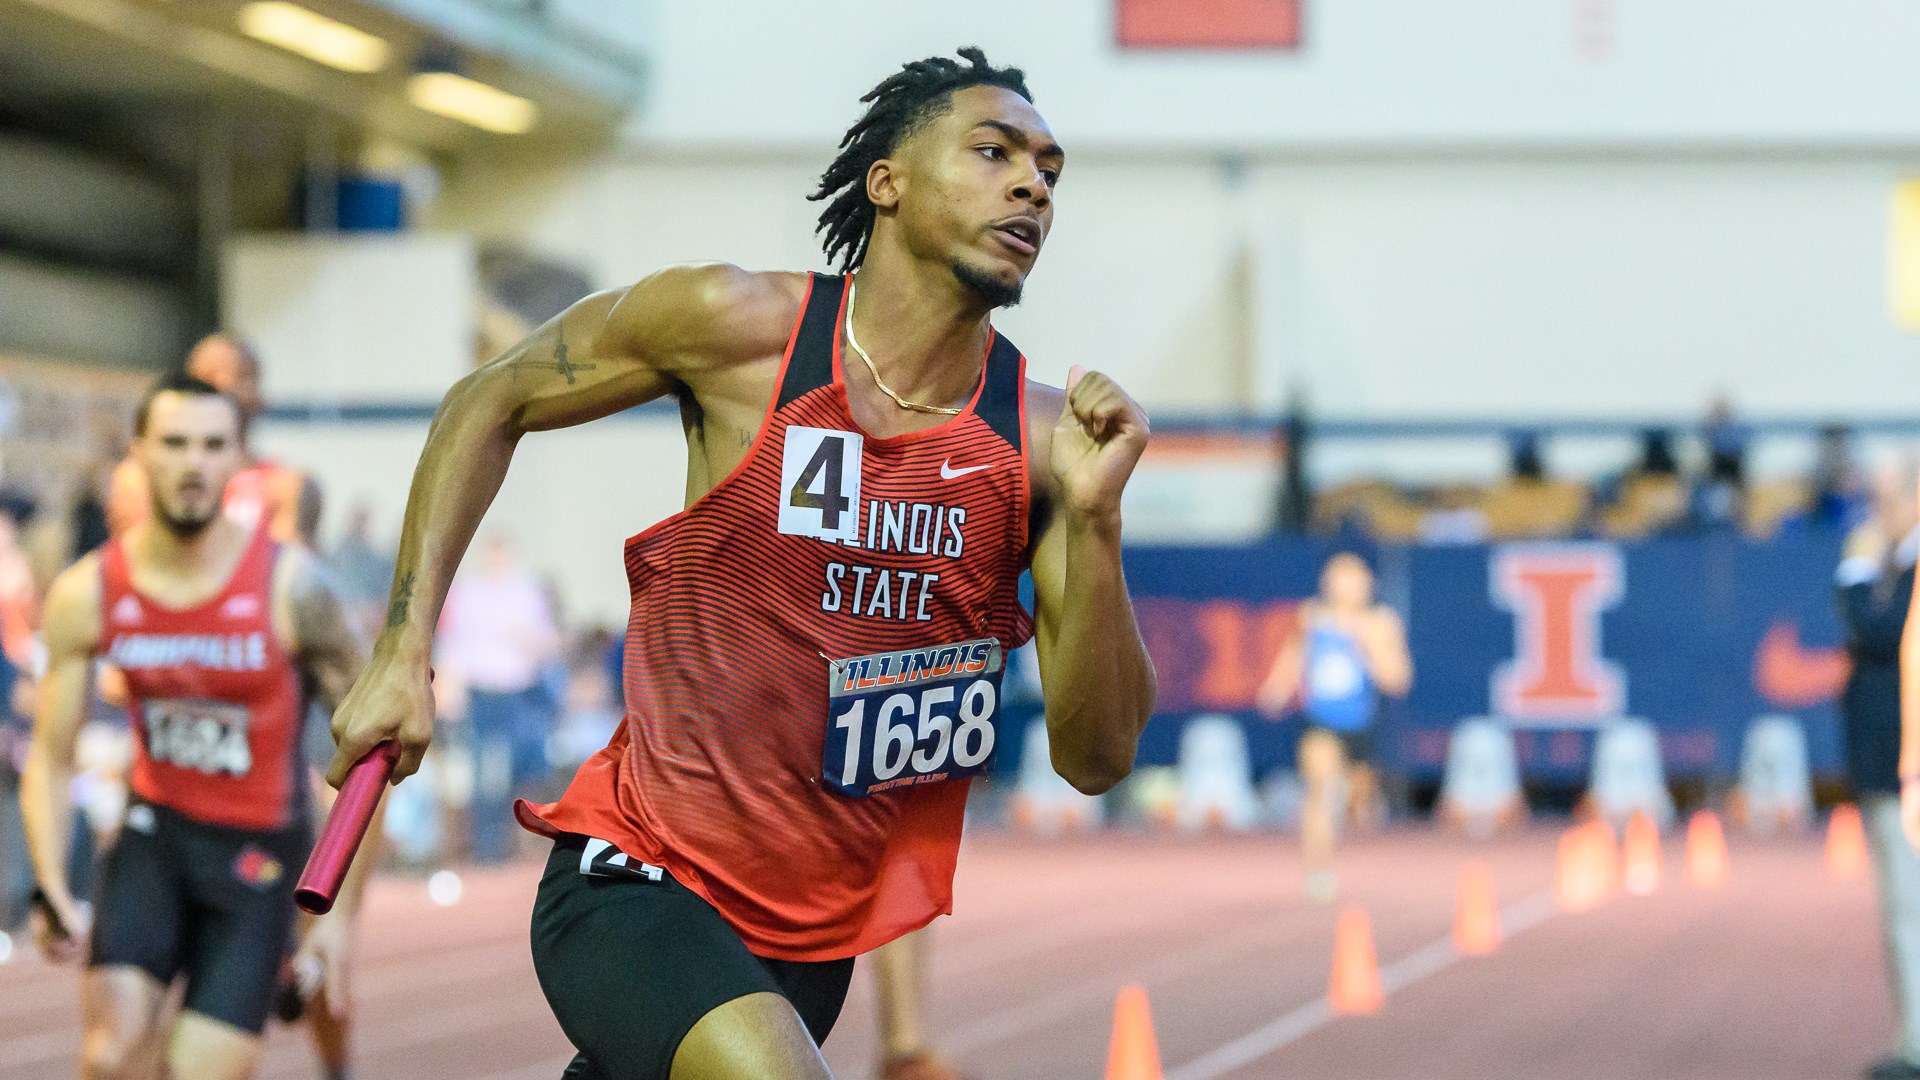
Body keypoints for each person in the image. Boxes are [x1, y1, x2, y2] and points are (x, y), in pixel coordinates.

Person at [328, 46, 1155, 1080]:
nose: (1033, 184)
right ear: (887, 183)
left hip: (809, 940)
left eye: (1049, 170)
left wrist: (1097, 516)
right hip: (638, 875)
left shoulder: (1038, 444)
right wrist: (401, 650)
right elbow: (487, 397)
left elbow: (1097, 758)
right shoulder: (742, 330)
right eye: (995, 153)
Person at [19, 374, 373, 1080]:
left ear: (239, 458)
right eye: (175, 443)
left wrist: (339, 916)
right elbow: (52, 757)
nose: (193, 463)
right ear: (139, 453)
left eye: (213, 446)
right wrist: (50, 879)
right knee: (110, 1057)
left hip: (258, 857)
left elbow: (372, 755)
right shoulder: (89, 591)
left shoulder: (295, 588)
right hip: (153, 840)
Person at [1256, 552, 1412, 902]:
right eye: (1337, 577)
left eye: (1352, 578)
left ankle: (1357, 810)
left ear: (1367, 583)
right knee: (1320, 789)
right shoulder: (1311, 616)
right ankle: (1319, 869)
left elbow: (1397, 680)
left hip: (1362, 725)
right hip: (1321, 722)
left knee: (1360, 807)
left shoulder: (1380, 622)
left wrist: (1367, 647)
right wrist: (1277, 687)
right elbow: (1294, 655)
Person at [1841, 457, 1920, 1080]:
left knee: (1906, 909)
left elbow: (1883, 634)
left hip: (1903, 766)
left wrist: (1856, 570)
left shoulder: (1900, 567)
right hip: (1891, 763)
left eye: (1886, 499)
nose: (1876, 513)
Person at [108, 333, 313, 544]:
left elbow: (286, 561)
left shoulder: (284, 487)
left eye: (241, 375)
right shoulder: (141, 478)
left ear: (261, 397)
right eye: (208, 375)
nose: (224, 384)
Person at [436, 534, 562, 863]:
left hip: (516, 690)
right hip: (480, 689)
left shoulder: (526, 594)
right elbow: (454, 645)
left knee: (515, 768)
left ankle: (509, 840)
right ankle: (485, 844)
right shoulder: (468, 593)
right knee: (480, 768)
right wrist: (448, 689)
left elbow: (546, 642)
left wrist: (524, 637)